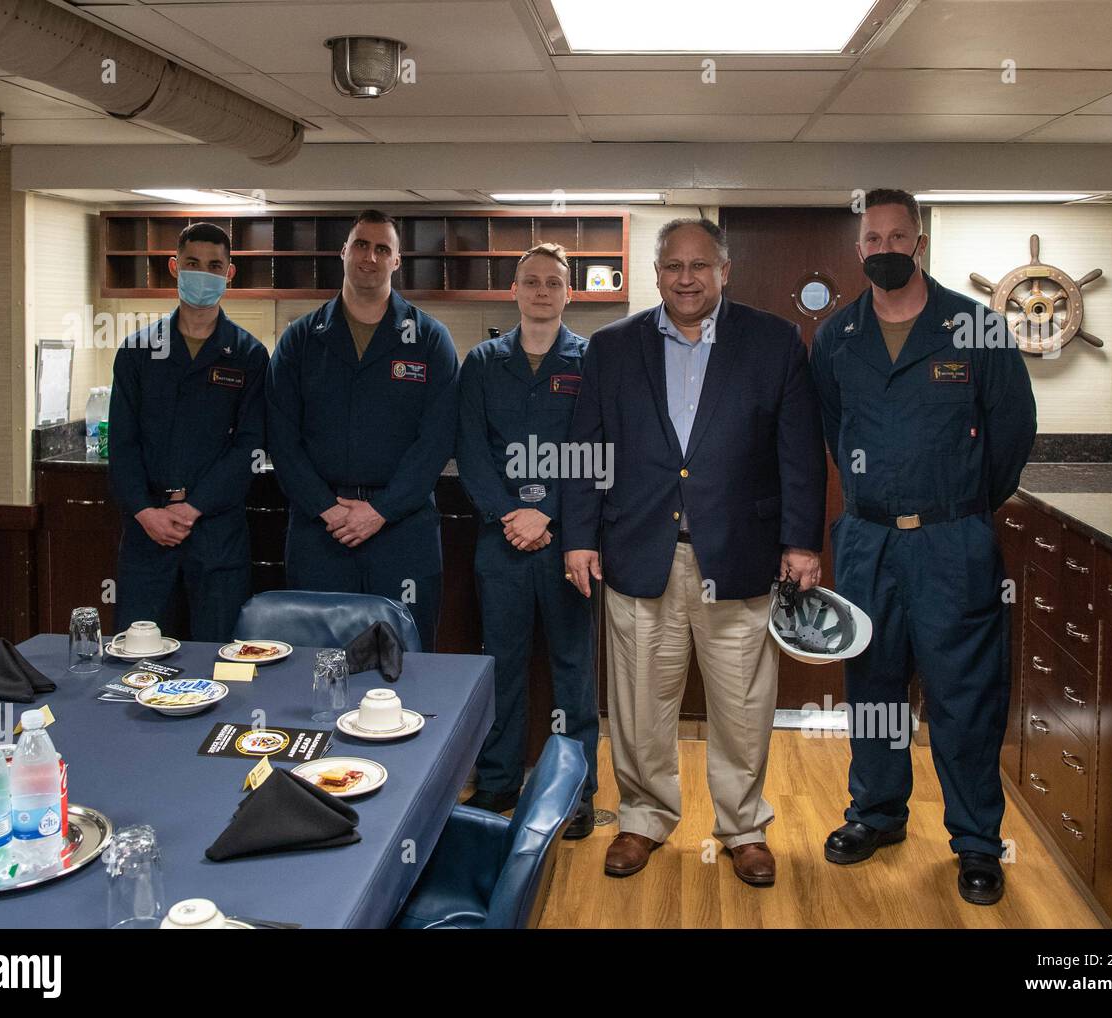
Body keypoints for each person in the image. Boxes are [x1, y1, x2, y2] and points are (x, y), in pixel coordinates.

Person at [562, 218, 827, 885]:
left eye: (700, 266)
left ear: (724, 271)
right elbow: (586, 452)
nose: (687, 278)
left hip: (740, 557)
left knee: (742, 705)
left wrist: (801, 542)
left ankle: (742, 826)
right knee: (639, 704)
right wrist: (577, 539)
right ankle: (643, 818)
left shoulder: (775, 343)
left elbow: (798, 453)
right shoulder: (612, 348)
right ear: (658, 274)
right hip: (638, 552)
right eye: (674, 266)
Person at [809, 188, 1036, 905]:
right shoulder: (836, 338)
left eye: (896, 236)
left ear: (920, 244)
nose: (883, 249)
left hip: (951, 544)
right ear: (859, 250)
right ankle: (875, 815)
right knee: (871, 683)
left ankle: (975, 841)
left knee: (964, 695)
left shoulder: (977, 329)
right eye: (870, 239)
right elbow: (833, 430)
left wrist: (960, 506)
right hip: (868, 540)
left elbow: (1011, 435)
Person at [265, 210, 458, 652]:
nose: (370, 257)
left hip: (402, 531)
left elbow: (436, 442)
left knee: (406, 660)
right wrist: (326, 509)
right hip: (321, 532)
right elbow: (282, 437)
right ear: (344, 252)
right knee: (318, 661)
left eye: (382, 248)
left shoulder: (429, 339)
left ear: (397, 261)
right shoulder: (300, 339)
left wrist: (381, 511)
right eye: (362, 245)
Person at [456, 243, 598, 837]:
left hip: (569, 544)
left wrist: (549, 517)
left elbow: (597, 450)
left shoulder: (591, 361)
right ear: (513, 291)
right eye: (531, 282)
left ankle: (576, 792)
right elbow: (469, 449)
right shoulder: (484, 362)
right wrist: (510, 513)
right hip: (502, 541)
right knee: (503, 665)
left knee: (573, 670)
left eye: (553, 283)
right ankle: (497, 782)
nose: (541, 291)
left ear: (569, 293)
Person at [109, 221, 268, 642]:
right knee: (138, 660)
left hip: (216, 534)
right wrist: (145, 511)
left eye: (215, 265)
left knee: (221, 660)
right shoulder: (137, 352)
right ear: (174, 266)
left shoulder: (249, 355)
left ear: (230, 273)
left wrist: (194, 507)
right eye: (193, 263)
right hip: (148, 531)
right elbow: (121, 444)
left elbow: (250, 448)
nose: (204, 273)